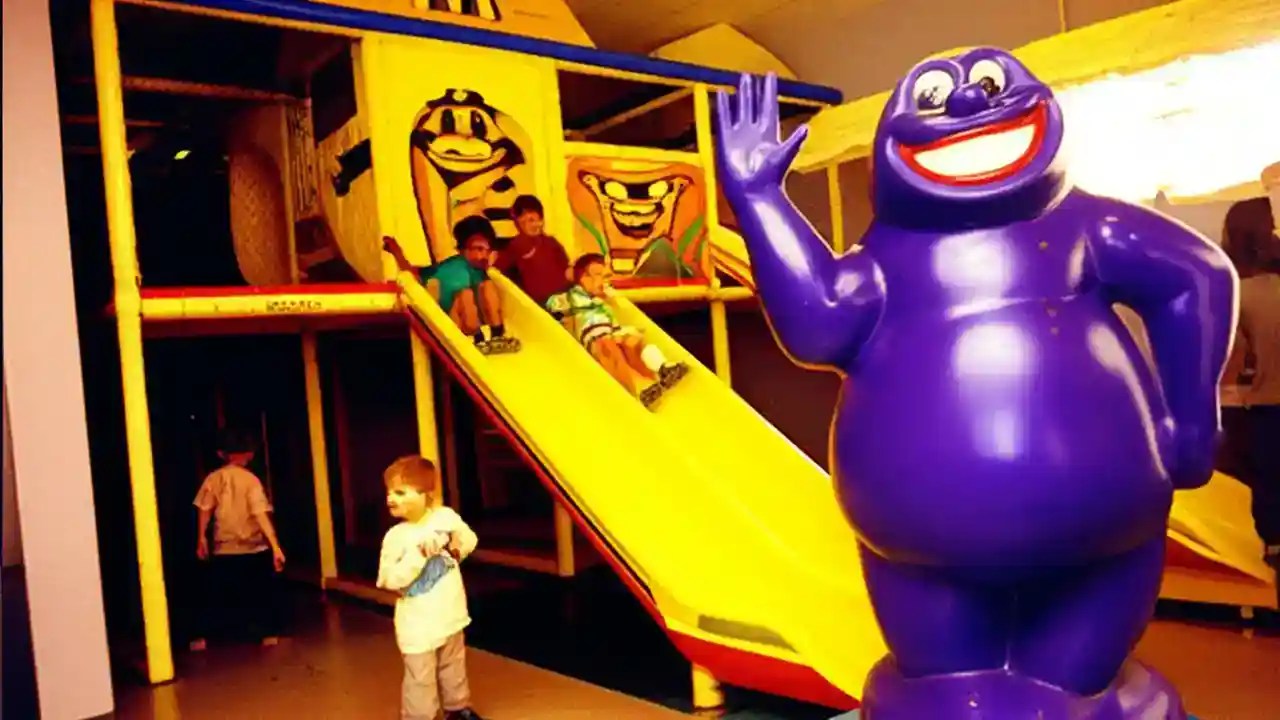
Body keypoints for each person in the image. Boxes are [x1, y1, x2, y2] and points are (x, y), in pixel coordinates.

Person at [376, 455, 484, 720]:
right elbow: (388, 579)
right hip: (417, 624)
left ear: (426, 494)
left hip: (451, 613)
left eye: (401, 492)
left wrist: (455, 550)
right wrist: (418, 557)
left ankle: (458, 708)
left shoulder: (445, 517)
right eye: (389, 492)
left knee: (453, 664)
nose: (392, 498)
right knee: (420, 677)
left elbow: (469, 538)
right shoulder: (395, 537)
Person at [1218, 196, 1280, 590]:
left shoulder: (1236, 294)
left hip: (1257, 409)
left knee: (1269, 496)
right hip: (1265, 407)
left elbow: (1233, 361)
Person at [546, 253, 688, 408]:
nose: (601, 281)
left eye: (603, 276)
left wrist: (609, 299)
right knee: (607, 346)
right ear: (583, 278)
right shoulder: (572, 297)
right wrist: (561, 314)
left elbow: (619, 312)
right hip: (594, 335)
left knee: (632, 341)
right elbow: (553, 304)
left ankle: (661, 370)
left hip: (611, 331)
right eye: (597, 275)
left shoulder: (604, 298)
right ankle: (637, 390)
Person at [190, 429, 286, 650]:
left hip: (224, 545)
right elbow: (260, 514)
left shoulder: (213, 478)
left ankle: (206, 636)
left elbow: (204, 508)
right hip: (253, 546)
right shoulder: (251, 480)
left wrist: (201, 537)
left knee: (218, 592)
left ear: (222, 453)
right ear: (248, 454)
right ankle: (267, 633)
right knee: (260, 592)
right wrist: (275, 546)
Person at [385, 216, 520, 355]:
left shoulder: (480, 272)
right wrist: (397, 252)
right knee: (465, 294)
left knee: (487, 287)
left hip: (477, 318)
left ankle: (497, 334)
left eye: (487, 250)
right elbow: (414, 273)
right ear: (464, 250)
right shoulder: (450, 267)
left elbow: (490, 296)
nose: (484, 255)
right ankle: (477, 338)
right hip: (456, 321)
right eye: (479, 249)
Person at [493, 195, 571, 307]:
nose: (530, 225)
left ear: (541, 220)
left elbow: (566, 269)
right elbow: (497, 272)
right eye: (524, 222)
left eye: (533, 220)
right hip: (540, 304)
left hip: (564, 297)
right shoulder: (516, 245)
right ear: (517, 223)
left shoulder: (551, 242)